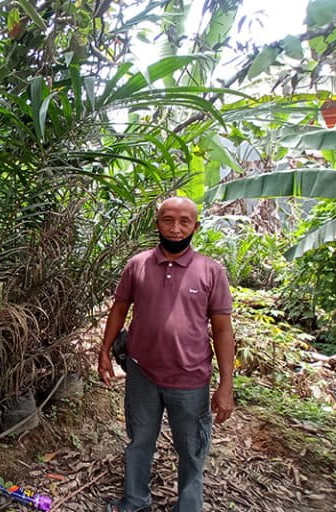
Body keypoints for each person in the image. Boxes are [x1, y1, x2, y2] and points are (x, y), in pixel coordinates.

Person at [98, 196, 235, 512]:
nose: (175, 228)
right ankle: (134, 500)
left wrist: (226, 384)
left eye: (184, 221)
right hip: (141, 372)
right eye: (168, 220)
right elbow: (119, 308)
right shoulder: (138, 265)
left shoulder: (210, 271)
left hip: (190, 378)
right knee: (139, 441)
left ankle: (188, 506)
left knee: (192, 448)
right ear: (157, 223)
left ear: (195, 226)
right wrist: (104, 352)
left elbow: (223, 330)